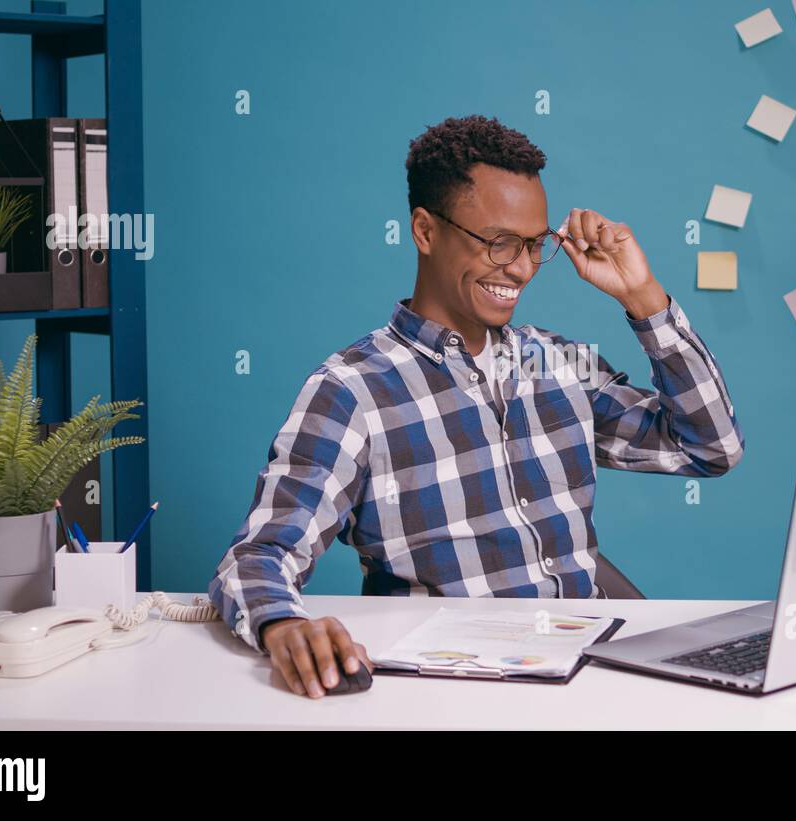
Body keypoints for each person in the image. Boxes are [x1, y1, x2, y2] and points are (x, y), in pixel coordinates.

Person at [209, 115, 744, 698]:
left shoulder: (557, 363)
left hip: (590, 684)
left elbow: (709, 447)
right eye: (497, 242)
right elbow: (259, 557)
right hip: (448, 693)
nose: (518, 267)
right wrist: (283, 624)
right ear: (424, 231)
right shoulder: (353, 391)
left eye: (535, 245)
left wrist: (642, 296)